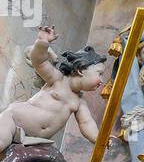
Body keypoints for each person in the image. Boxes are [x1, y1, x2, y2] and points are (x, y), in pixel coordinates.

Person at [0, 26, 106, 155]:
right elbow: (39, 62)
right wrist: (42, 42)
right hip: (14, 120)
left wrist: (98, 139)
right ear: (80, 69)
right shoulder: (57, 79)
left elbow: (86, 123)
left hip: (33, 141)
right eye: (99, 73)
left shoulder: (80, 102)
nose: (101, 80)